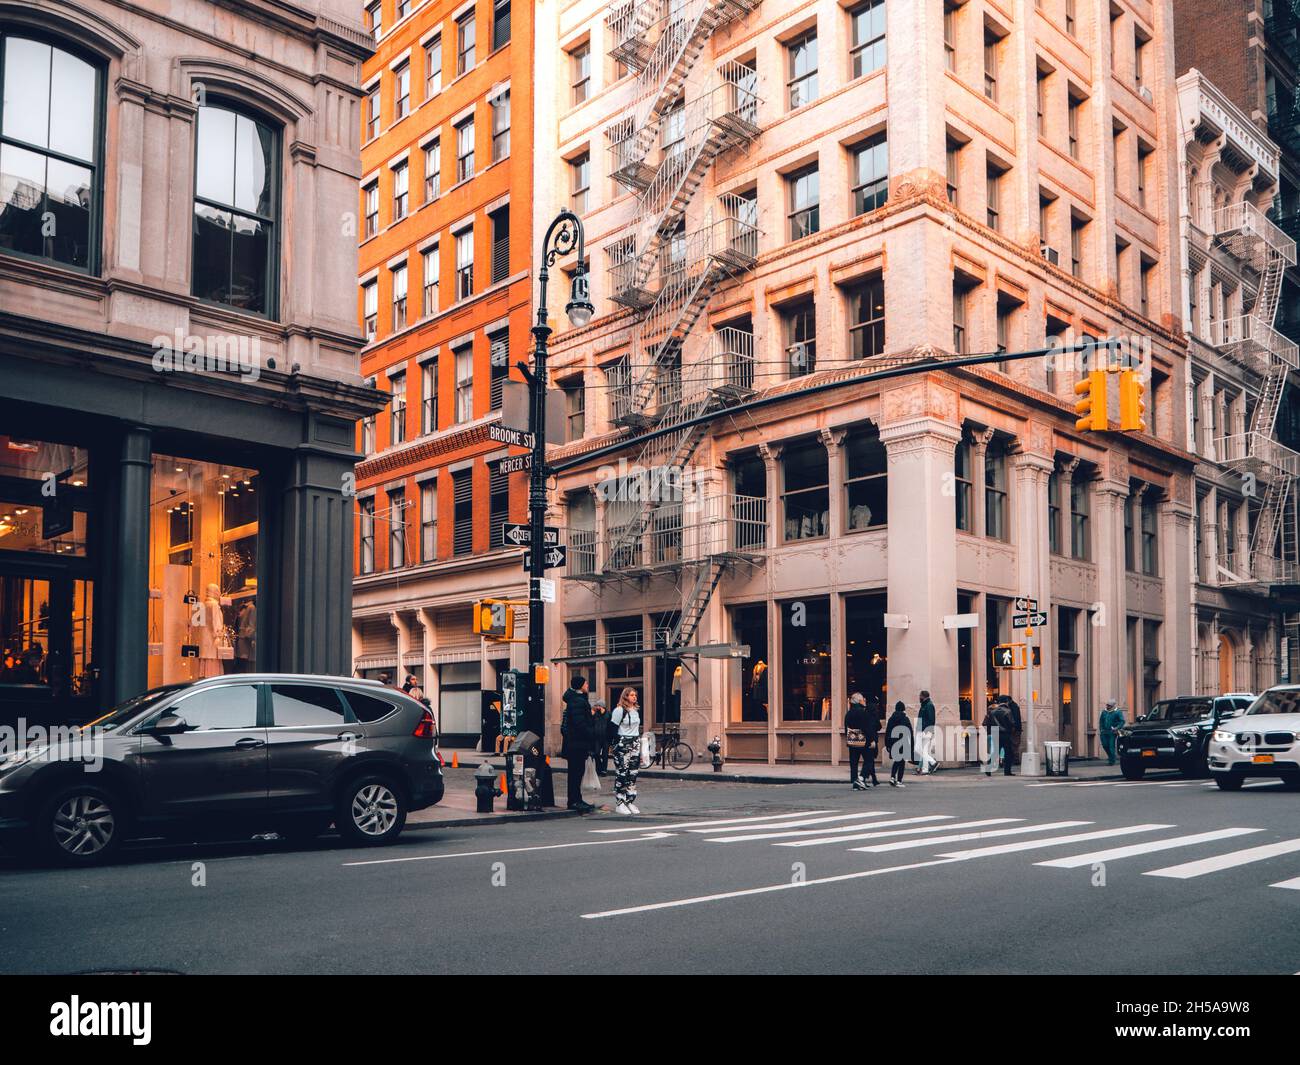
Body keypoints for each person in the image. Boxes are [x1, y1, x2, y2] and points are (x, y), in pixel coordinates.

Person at [560, 675, 596, 812]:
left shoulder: (576, 700)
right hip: (576, 744)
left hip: (575, 744)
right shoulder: (578, 701)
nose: (588, 685)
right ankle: (574, 801)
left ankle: (576, 799)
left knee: (576, 773)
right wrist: (591, 732)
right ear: (580, 686)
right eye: (586, 683)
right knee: (576, 773)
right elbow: (579, 724)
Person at [610, 687, 642, 815]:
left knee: (633, 773)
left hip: (635, 742)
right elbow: (612, 728)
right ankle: (620, 802)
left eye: (635, 695)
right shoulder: (619, 711)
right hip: (623, 743)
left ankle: (630, 801)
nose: (634, 697)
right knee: (622, 773)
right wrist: (615, 745)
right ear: (625, 697)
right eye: (631, 695)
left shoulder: (635, 711)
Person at [844, 693, 872, 790]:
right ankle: (861, 778)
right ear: (859, 701)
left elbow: (846, 728)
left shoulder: (848, 713)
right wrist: (870, 740)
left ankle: (855, 780)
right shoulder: (863, 712)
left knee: (854, 762)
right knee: (868, 760)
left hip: (852, 740)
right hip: (862, 740)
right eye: (862, 699)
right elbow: (867, 728)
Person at [886, 700, 913, 788]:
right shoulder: (905, 719)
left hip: (893, 743)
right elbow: (910, 732)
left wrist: (887, 744)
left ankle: (893, 777)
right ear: (903, 709)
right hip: (903, 742)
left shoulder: (891, 719)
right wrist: (912, 744)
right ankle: (899, 781)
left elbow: (888, 732)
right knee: (901, 763)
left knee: (896, 761)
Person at [916, 689, 938, 774]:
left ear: (923, 696)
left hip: (925, 731)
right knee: (923, 751)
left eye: (920, 696)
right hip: (923, 730)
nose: (919, 697)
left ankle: (932, 762)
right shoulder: (925, 705)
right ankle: (925, 769)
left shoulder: (929, 705)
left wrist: (926, 730)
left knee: (918, 749)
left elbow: (931, 720)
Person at [1098, 699, 1125, 765]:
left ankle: (1112, 760)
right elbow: (1101, 721)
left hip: (1112, 732)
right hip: (1104, 731)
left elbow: (1122, 721)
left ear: (1113, 706)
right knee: (1105, 745)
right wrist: (1101, 729)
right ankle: (1111, 756)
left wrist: (1116, 728)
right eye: (1107, 705)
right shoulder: (1104, 712)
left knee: (1111, 746)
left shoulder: (1117, 712)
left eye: (1109, 705)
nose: (1107, 706)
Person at [863, 696, 882, 786]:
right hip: (872, 740)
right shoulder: (874, 714)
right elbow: (878, 726)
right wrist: (873, 740)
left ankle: (873, 778)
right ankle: (863, 777)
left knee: (869, 759)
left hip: (865, 739)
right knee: (870, 760)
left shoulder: (865, 713)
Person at [591, 697, 611, 775]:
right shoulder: (595, 715)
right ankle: (599, 768)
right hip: (597, 738)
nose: (597, 707)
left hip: (606, 738)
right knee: (596, 753)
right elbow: (592, 724)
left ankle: (604, 770)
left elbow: (611, 726)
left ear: (602, 706)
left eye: (598, 706)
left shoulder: (608, 714)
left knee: (605, 755)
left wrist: (611, 737)